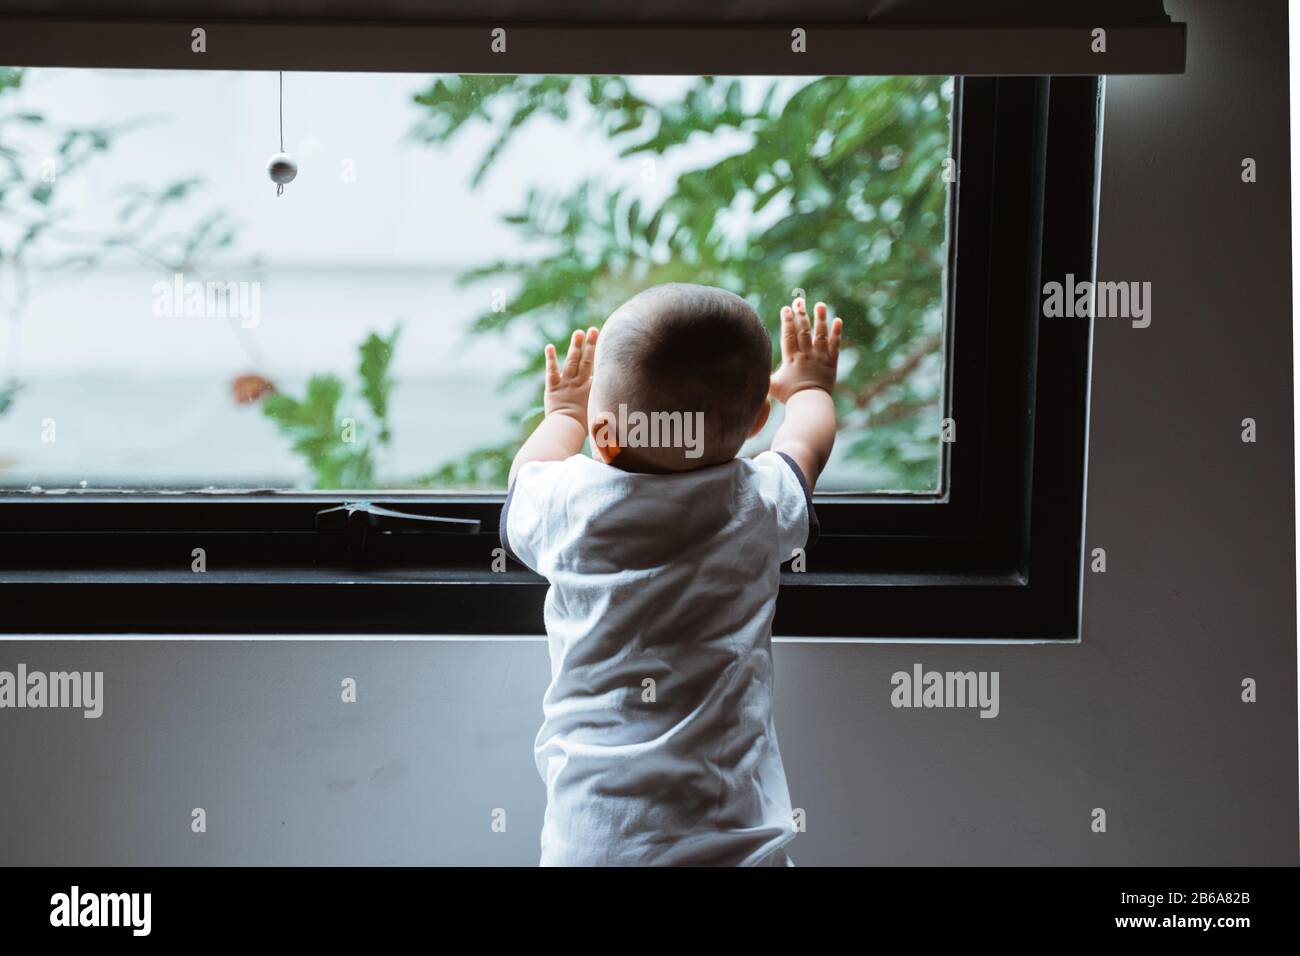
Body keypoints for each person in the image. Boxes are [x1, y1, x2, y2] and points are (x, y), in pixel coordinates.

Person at [500, 283, 841, 865]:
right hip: (733, 835)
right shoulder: (755, 501)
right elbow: (805, 445)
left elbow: (524, 475)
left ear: (599, 428)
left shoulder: (566, 504)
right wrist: (807, 385)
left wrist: (561, 413)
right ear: (756, 419)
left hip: (593, 836)